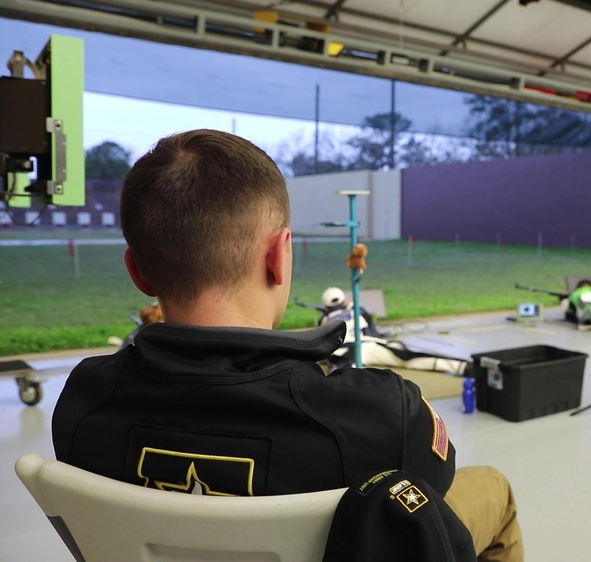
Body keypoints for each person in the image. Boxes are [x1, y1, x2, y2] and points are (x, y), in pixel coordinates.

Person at [51, 130, 522, 562]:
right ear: (279, 255)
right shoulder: (384, 415)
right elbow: (433, 489)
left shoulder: (81, 403)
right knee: (494, 488)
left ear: (137, 271)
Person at [318, 286, 469, 374]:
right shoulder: (357, 309)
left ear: (326, 307)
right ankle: (463, 368)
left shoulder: (324, 321)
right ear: (344, 300)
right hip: (368, 346)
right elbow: (373, 331)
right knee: (407, 357)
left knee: (340, 377)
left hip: (342, 354)